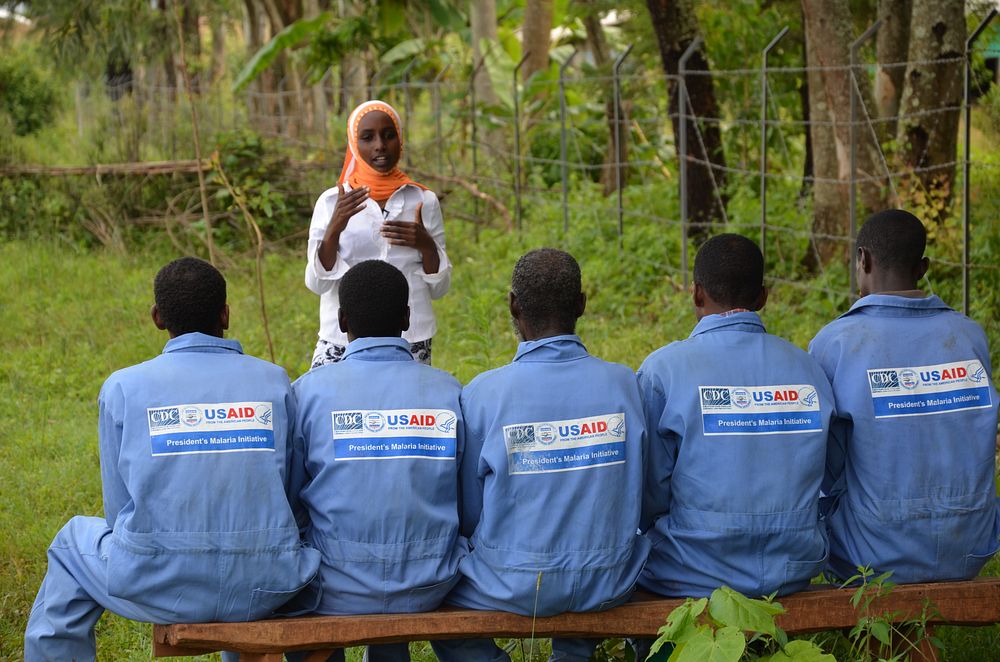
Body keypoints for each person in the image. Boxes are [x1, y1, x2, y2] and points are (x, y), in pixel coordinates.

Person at [24, 257, 320, 662]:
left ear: (157, 318)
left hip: (159, 586)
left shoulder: (123, 387)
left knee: (70, 543)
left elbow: (118, 511)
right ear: (225, 315)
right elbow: (290, 496)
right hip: (268, 583)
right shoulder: (274, 381)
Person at [432, 248, 649, 662]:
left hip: (511, 582)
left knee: (434, 595)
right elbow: (642, 491)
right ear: (581, 305)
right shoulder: (624, 384)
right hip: (609, 579)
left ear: (513, 305)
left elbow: (470, 512)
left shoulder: (483, 394)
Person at [638, 234, 834, 600]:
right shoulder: (808, 369)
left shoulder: (663, 371)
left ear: (697, 294)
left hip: (690, 572)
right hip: (792, 569)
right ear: (762, 297)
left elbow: (649, 494)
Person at [290, 260, 467, 662]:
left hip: (333, 585)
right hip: (431, 581)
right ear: (407, 318)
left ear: (342, 320)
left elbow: (292, 499)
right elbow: (465, 502)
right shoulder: (449, 392)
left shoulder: (307, 393)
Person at [809, 209, 1000, 584]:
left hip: (872, 554)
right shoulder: (969, 336)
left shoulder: (835, 343)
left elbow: (823, 461)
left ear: (862, 260)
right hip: (971, 546)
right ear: (923, 267)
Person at [305, 100, 450, 369]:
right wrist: (335, 228)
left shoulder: (423, 200)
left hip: (409, 335)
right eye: (367, 137)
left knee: (404, 396)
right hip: (342, 335)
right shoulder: (332, 201)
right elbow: (316, 285)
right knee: (329, 394)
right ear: (353, 144)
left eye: (388, 135)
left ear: (400, 140)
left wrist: (427, 246)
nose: (380, 145)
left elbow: (439, 289)